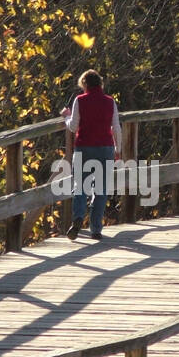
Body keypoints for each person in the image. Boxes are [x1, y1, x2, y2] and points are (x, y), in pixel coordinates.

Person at [64, 69, 122, 240]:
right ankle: (96, 229)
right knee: (101, 189)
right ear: (100, 84)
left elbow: (73, 127)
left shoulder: (80, 100)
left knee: (80, 186)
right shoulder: (109, 101)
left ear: (85, 84)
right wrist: (118, 149)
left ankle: (78, 217)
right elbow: (116, 128)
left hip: (84, 147)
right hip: (105, 147)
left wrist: (67, 117)